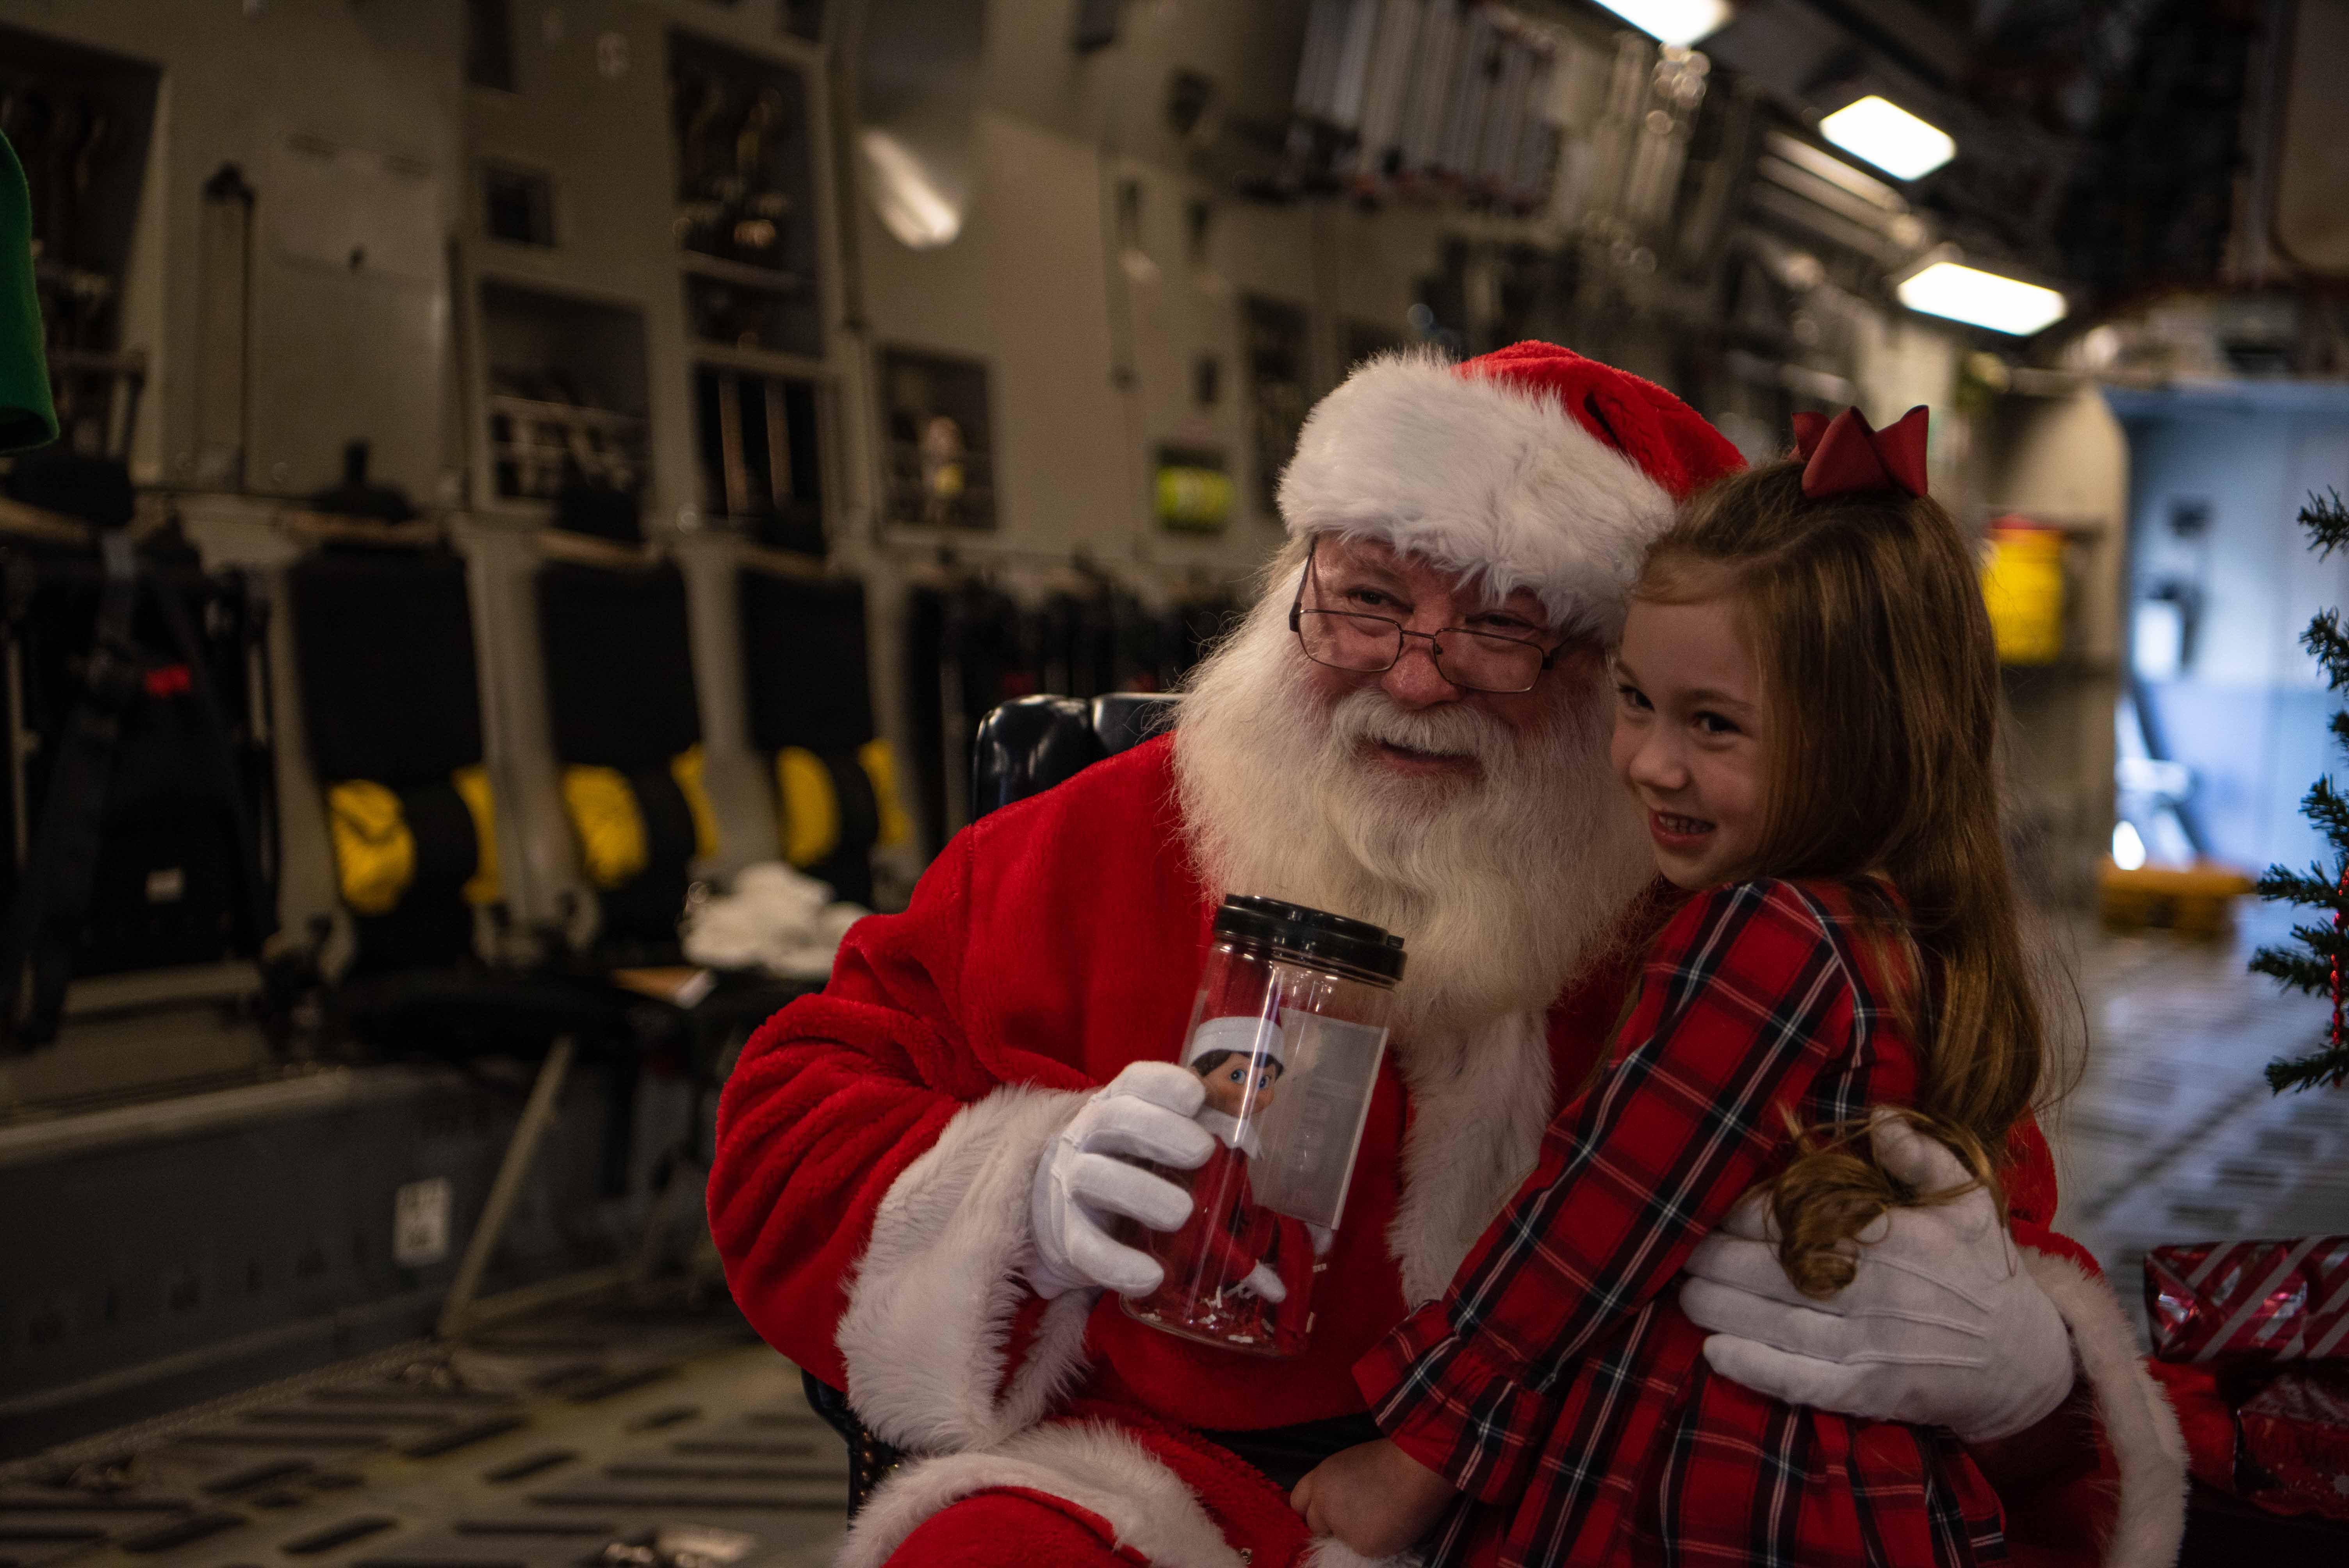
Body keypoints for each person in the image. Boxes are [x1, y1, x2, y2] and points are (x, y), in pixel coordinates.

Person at [707, 344, 2182, 1568]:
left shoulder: (1740, 907)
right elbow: (795, 1104)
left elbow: (1979, 1210)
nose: (1414, 676)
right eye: (1364, 600)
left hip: (1603, 1501)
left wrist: (2023, 1366)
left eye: (1502, 626)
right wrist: (1018, 1190)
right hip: (1176, 1489)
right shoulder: (1095, 840)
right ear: (1296, 580)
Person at [1291, 407, 2087, 1565]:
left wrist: (1420, 1451)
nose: (1649, 763)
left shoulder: (1761, 934)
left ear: (1862, 735)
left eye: (1712, 725)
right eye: (1633, 700)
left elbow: (1591, 1218)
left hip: (1710, 1489)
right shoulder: (1895, 931)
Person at [1126, 1017, 1315, 1357]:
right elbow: (1199, 1222)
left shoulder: (1236, 1145)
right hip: (1181, 1261)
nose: (1251, 1094)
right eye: (1237, 1076)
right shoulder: (1206, 1145)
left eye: (1265, 1081)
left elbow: (1237, 1209)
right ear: (1199, 1076)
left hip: (1211, 1265)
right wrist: (1251, 1271)